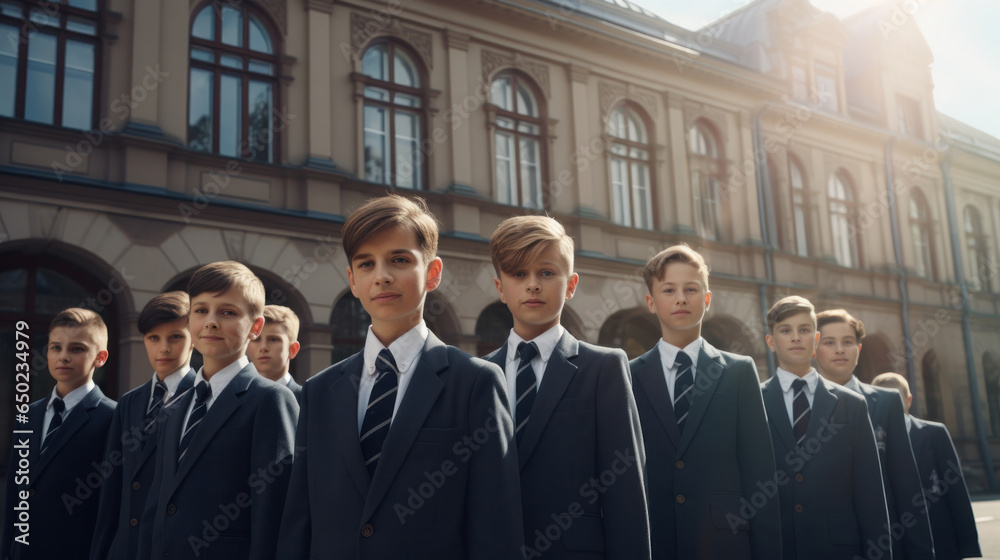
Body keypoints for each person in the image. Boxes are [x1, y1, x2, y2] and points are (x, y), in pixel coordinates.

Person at [278, 195, 523, 560]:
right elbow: (299, 521)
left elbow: (496, 526)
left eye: (399, 260)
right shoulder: (320, 391)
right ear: (353, 280)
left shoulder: (475, 383)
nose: (382, 275)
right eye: (366, 264)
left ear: (433, 272)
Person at [483, 215, 650, 559]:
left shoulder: (603, 368)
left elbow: (626, 493)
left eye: (546, 273)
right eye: (518, 274)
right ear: (500, 287)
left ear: (571, 284)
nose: (532, 285)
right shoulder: (478, 375)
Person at [138, 261, 298, 560]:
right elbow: (157, 506)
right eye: (201, 311)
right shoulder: (177, 404)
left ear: (256, 327)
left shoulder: (270, 399)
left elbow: (273, 515)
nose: (211, 321)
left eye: (228, 312)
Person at [629, 244, 779, 559]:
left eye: (691, 289)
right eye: (668, 290)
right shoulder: (628, 375)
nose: (681, 298)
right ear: (651, 302)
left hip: (725, 543)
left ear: (707, 300)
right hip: (654, 541)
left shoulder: (738, 371)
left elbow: (759, 471)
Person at [760, 296, 890, 560]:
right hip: (775, 547)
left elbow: (871, 494)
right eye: (786, 330)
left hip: (838, 549)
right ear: (771, 342)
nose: (796, 338)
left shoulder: (851, 404)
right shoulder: (751, 401)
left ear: (816, 340)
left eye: (804, 330)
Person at [815, 309, 934, 559]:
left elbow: (907, 488)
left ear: (858, 348)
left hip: (884, 543)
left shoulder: (886, 402)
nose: (840, 349)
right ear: (814, 348)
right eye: (829, 342)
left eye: (847, 342)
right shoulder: (800, 404)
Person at [2, 308, 116, 560]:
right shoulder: (28, 414)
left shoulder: (113, 417)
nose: (63, 356)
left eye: (76, 349)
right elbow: (15, 489)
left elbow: (110, 505)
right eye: (56, 347)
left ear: (100, 357)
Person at [91, 292, 197, 560]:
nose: (164, 348)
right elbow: (113, 487)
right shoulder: (129, 402)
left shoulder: (202, 398)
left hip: (171, 548)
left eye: (176, 337)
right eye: (154, 338)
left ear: (194, 340)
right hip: (124, 549)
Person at [872, 372, 982, 560]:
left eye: (896, 400)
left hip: (939, 536)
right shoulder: (869, 439)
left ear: (908, 400)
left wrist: (968, 546)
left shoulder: (934, 433)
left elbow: (956, 492)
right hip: (893, 541)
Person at [249, 304, 303, 400]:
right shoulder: (233, 398)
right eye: (256, 339)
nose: (263, 347)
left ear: (292, 349)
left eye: (273, 339)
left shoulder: (307, 401)